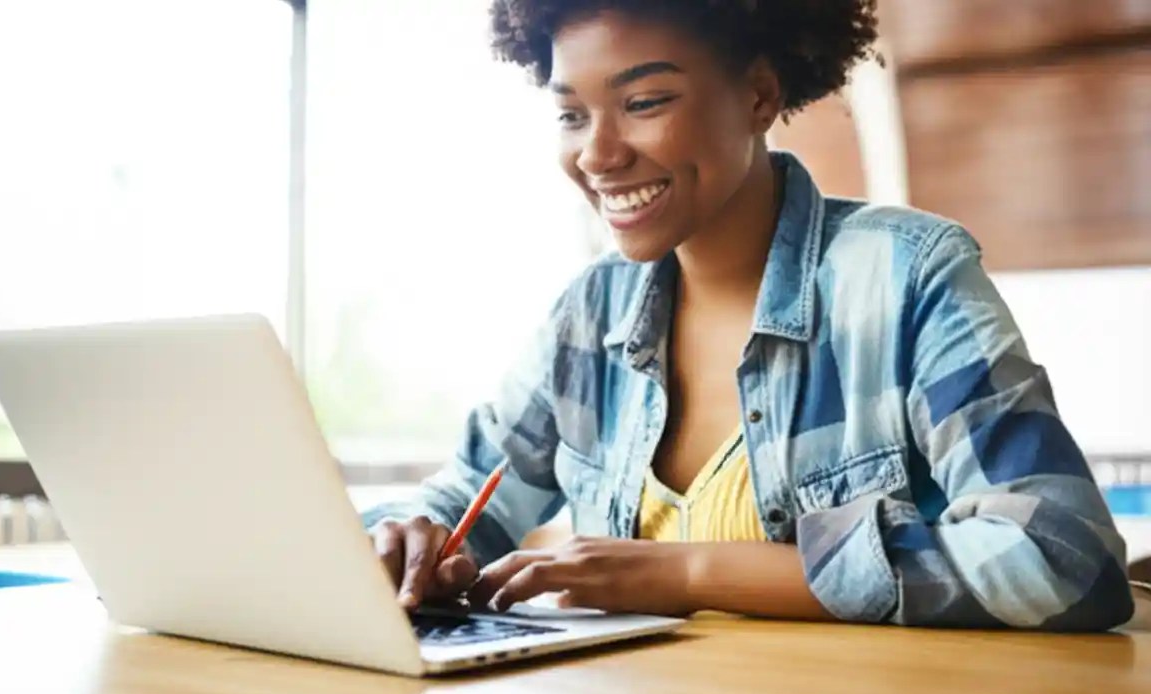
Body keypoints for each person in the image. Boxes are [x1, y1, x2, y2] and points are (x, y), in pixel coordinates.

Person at [362, 0, 1134, 630]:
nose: (597, 155)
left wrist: (693, 570)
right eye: (571, 115)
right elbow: (463, 500)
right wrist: (411, 540)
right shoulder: (588, 314)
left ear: (760, 95)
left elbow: (1065, 556)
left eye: (643, 103)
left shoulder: (904, 276)